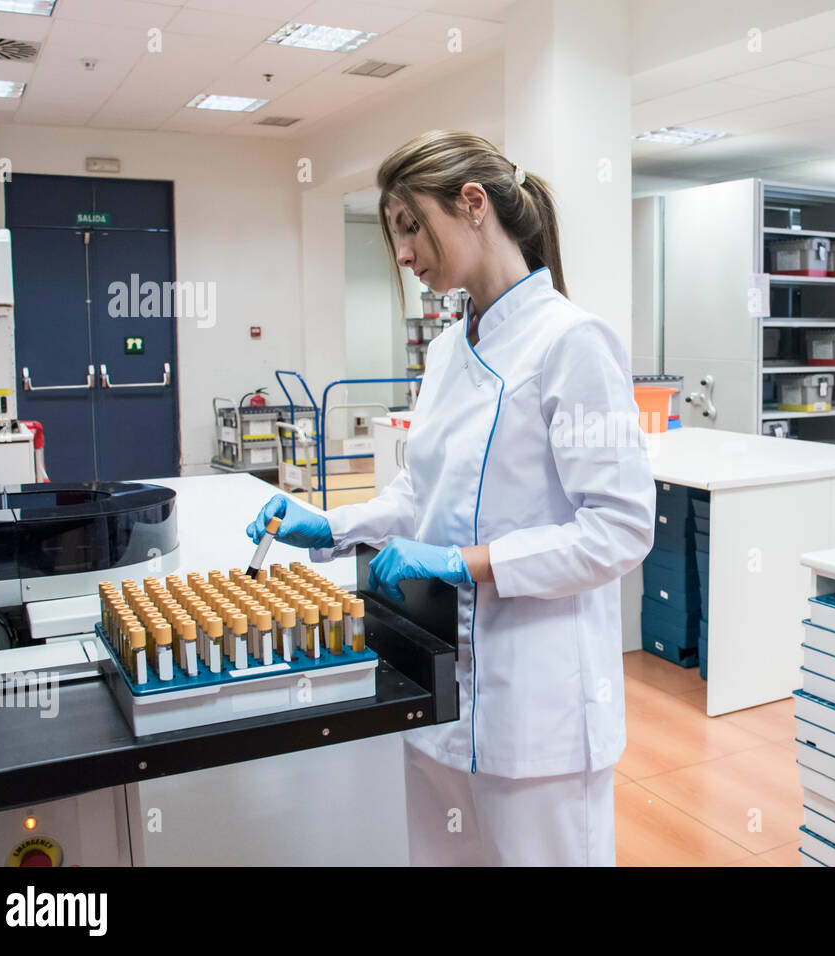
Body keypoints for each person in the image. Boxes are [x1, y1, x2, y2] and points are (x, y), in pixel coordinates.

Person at [245, 130, 656, 866]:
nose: (402, 254)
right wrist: (333, 526)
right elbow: (421, 492)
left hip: (539, 709)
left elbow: (620, 529)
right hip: (437, 688)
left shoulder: (572, 342)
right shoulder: (445, 349)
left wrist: (470, 563)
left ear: (473, 204)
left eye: (409, 225)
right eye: (396, 233)